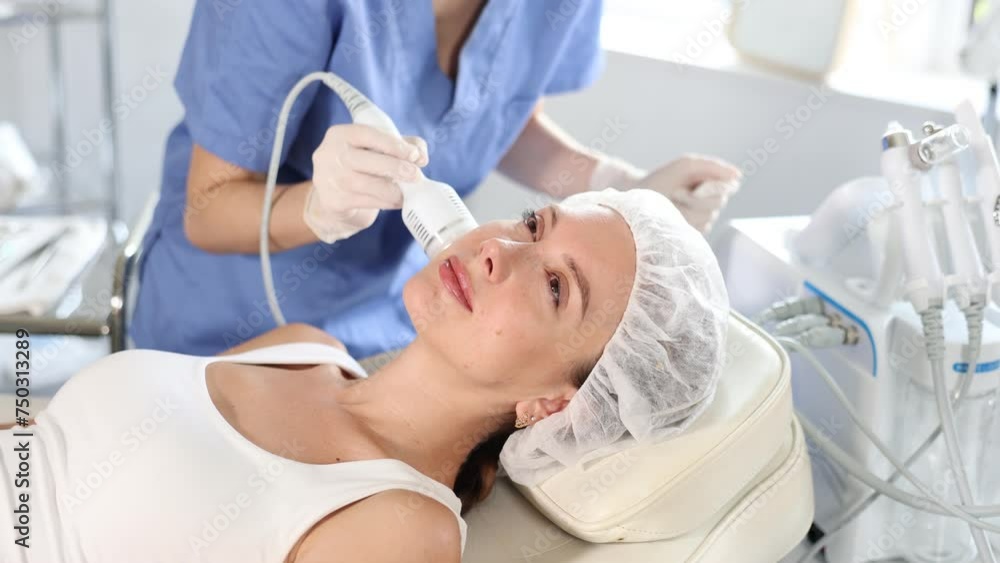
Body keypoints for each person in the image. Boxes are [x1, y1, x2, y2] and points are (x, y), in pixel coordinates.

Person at [1, 189, 728, 562]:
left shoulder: (402, 530)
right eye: (535, 224)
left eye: (556, 287)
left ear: (554, 404)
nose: (498, 249)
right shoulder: (299, 347)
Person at [131, 0, 741, 359]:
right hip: (229, 321)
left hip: (397, 316)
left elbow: (500, 114)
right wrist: (315, 209)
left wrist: (621, 181)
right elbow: (207, 209)